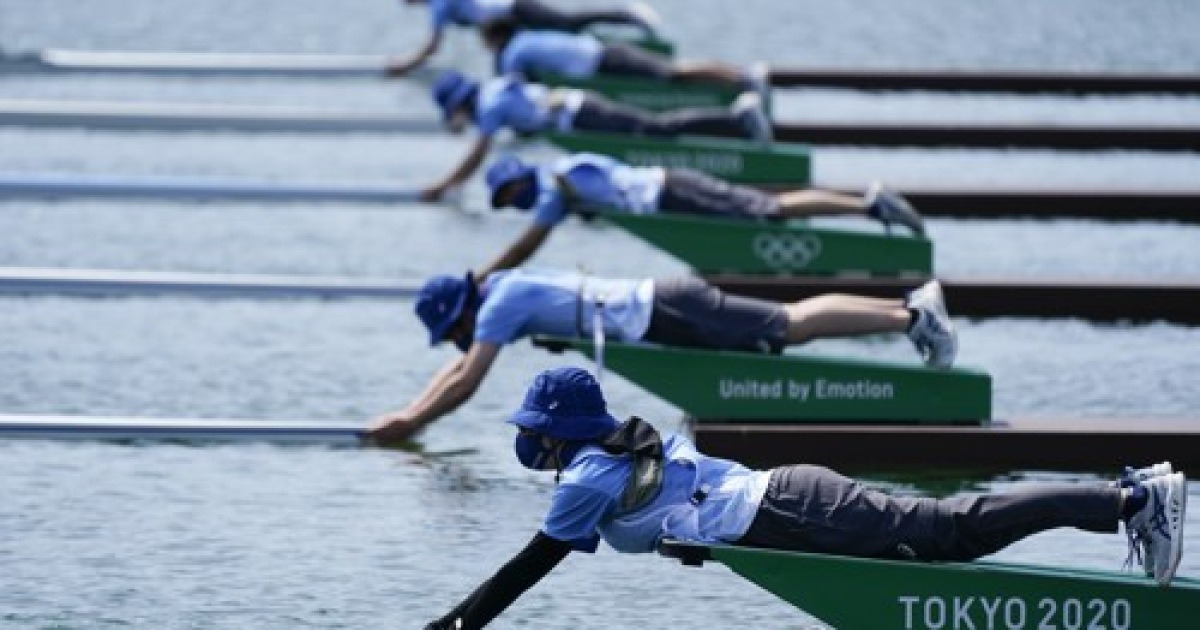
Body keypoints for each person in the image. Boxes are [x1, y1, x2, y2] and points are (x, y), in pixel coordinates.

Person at [422, 367, 1188, 629]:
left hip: (796, 511)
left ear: (557, 432)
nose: (528, 441)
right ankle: (1128, 500)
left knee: (954, 532)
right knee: (952, 538)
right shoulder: (615, 445)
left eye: (532, 429)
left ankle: (1132, 502)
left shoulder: (587, 479)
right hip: (793, 505)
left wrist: (455, 623)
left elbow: (529, 567)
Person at [366, 267, 956, 443]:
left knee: (790, 325)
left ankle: (910, 316)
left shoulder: (498, 307)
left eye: (452, 330)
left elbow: (468, 379)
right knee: (787, 323)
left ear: (462, 312)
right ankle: (907, 309)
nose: (457, 340)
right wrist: (411, 411)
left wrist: (413, 422)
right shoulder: (503, 288)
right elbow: (460, 368)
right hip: (666, 305)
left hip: (669, 309)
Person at [480, 152, 924, 271]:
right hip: (670, 190)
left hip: (671, 194)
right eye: (502, 203)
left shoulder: (554, 188)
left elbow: (525, 248)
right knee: (766, 209)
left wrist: (483, 276)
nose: (510, 204)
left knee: (769, 211)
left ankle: (869, 204)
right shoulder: (560, 173)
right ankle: (867, 205)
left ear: (520, 179)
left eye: (508, 195)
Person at [420, 70, 771, 201]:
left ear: (460, 103)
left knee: (656, 128)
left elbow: (478, 153)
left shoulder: (490, 107)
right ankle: (735, 122)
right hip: (579, 110)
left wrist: (445, 185)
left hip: (583, 113)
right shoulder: (492, 91)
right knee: (655, 128)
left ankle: (737, 119)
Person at [480, 18, 766, 97]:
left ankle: (742, 78)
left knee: (673, 72)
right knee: (672, 72)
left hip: (605, 59)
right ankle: (740, 77)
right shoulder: (528, 36)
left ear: (496, 39)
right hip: (604, 52)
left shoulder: (513, 52)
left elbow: (510, 88)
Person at [387, 0, 661, 77]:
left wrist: (403, 66)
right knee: (505, 67)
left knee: (567, 24)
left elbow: (431, 47)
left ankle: (628, 15)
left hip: (517, 12)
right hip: (508, 28)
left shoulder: (438, 6)